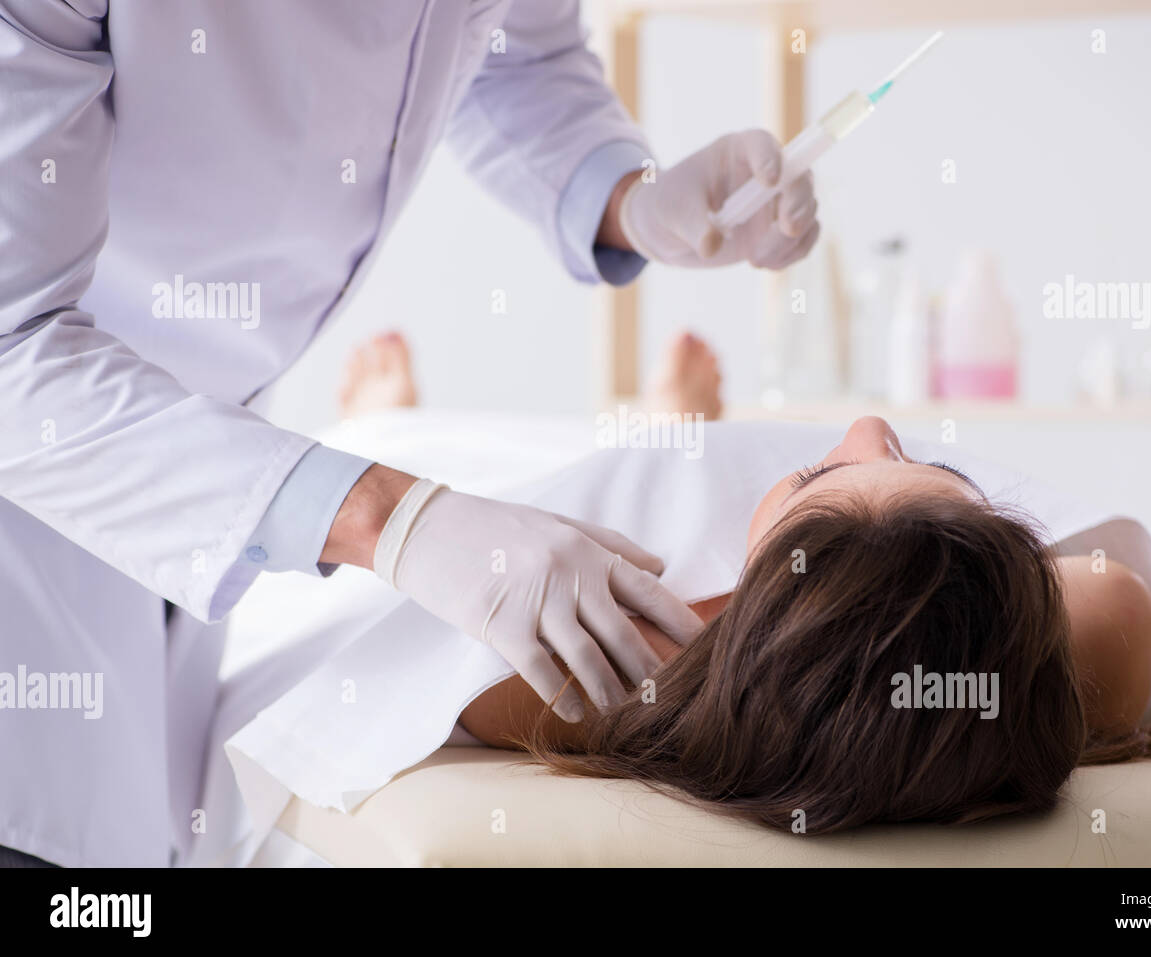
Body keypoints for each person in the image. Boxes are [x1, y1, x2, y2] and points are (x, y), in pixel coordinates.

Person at [0, 1, 819, 866]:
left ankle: (410, 425)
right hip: (54, 434)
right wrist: (390, 515)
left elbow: (512, 45)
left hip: (220, 427)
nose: (875, 429)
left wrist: (628, 199)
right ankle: (406, 425)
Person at [328, 330, 1151, 834]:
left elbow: (416, 665)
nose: (870, 423)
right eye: (931, 463)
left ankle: (397, 427)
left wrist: (764, 628)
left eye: (812, 475)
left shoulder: (551, 684)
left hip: (560, 509)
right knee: (653, 455)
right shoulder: (1093, 624)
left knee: (474, 465)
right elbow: (1111, 593)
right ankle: (661, 431)